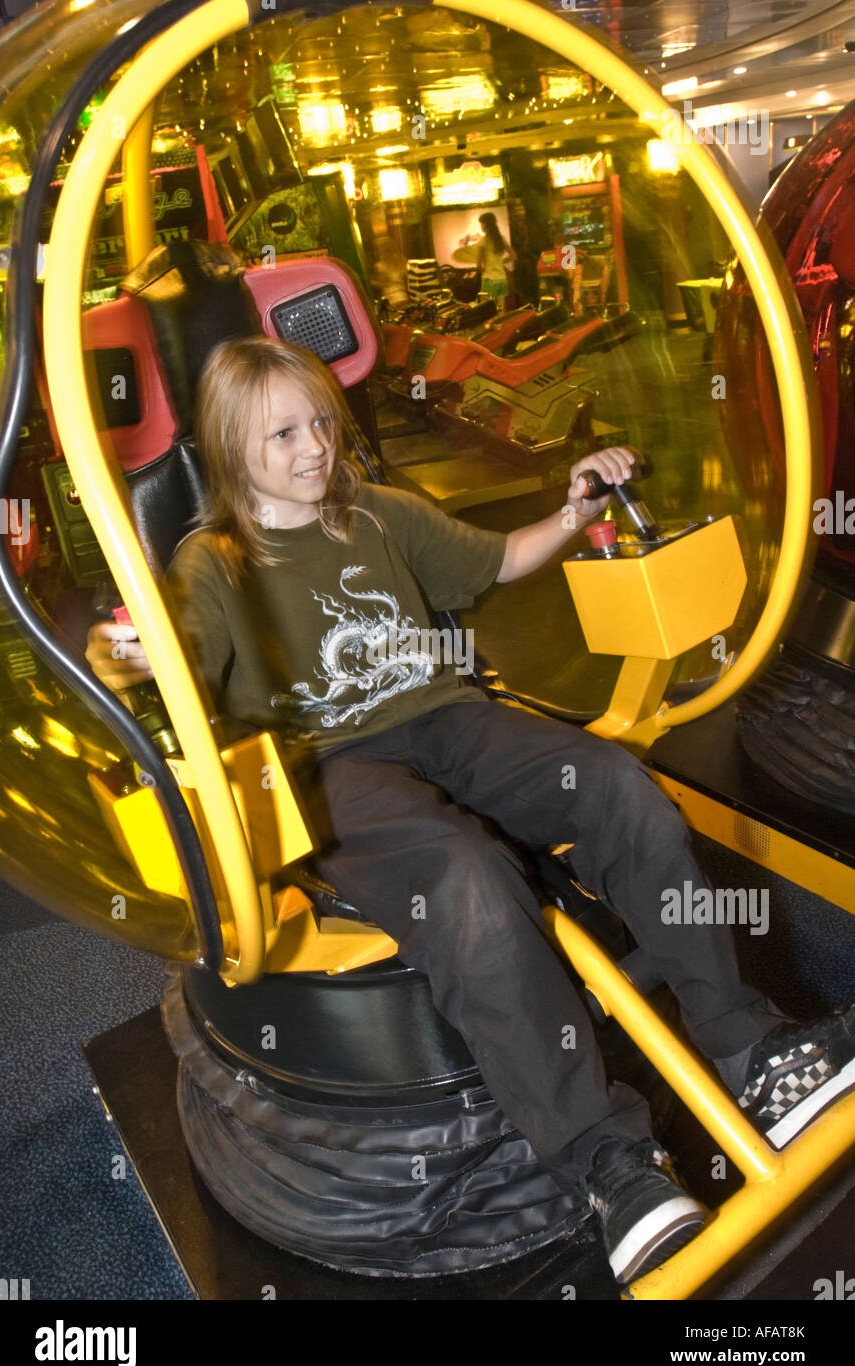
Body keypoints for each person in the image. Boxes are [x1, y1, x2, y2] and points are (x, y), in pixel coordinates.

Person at [86, 336, 855, 1287]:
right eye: (283, 432)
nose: (315, 446)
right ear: (229, 443)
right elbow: (173, 651)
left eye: (321, 420)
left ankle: (753, 1048)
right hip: (323, 767)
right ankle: (609, 1166)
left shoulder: (375, 514)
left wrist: (573, 511)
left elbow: (498, 558)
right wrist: (129, 651)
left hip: (449, 719)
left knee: (615, 786)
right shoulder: (214, 562)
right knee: (465, 874)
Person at [475, 211, 515, 310]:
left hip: (489, 279)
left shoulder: (482, 241)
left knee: (486, 310)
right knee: (501, 309)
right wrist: (501, 262)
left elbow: (478, 264)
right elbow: (514, 256)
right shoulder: (501, 238)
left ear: (485, 224)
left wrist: (482, 271)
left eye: (481, 224)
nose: (481, 226)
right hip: (501, 278)